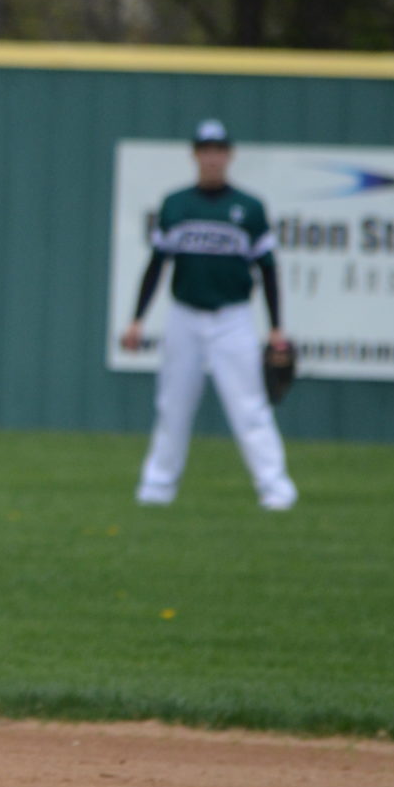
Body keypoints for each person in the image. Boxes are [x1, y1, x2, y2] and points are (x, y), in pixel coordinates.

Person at [120, 120, 296, 511]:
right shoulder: (176, 205)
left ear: (228, 155)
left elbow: (267, 269)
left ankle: (276, 489)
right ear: (195, 155)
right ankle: (157, 488)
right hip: (184, 315)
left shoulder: (249, 208)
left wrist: (277, 326)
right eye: (206, 149)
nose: (212, 157)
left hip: (233, 317)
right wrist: (137, 319)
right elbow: (156, 264)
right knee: (173, 405)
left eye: (219, 149)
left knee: (249, 407)